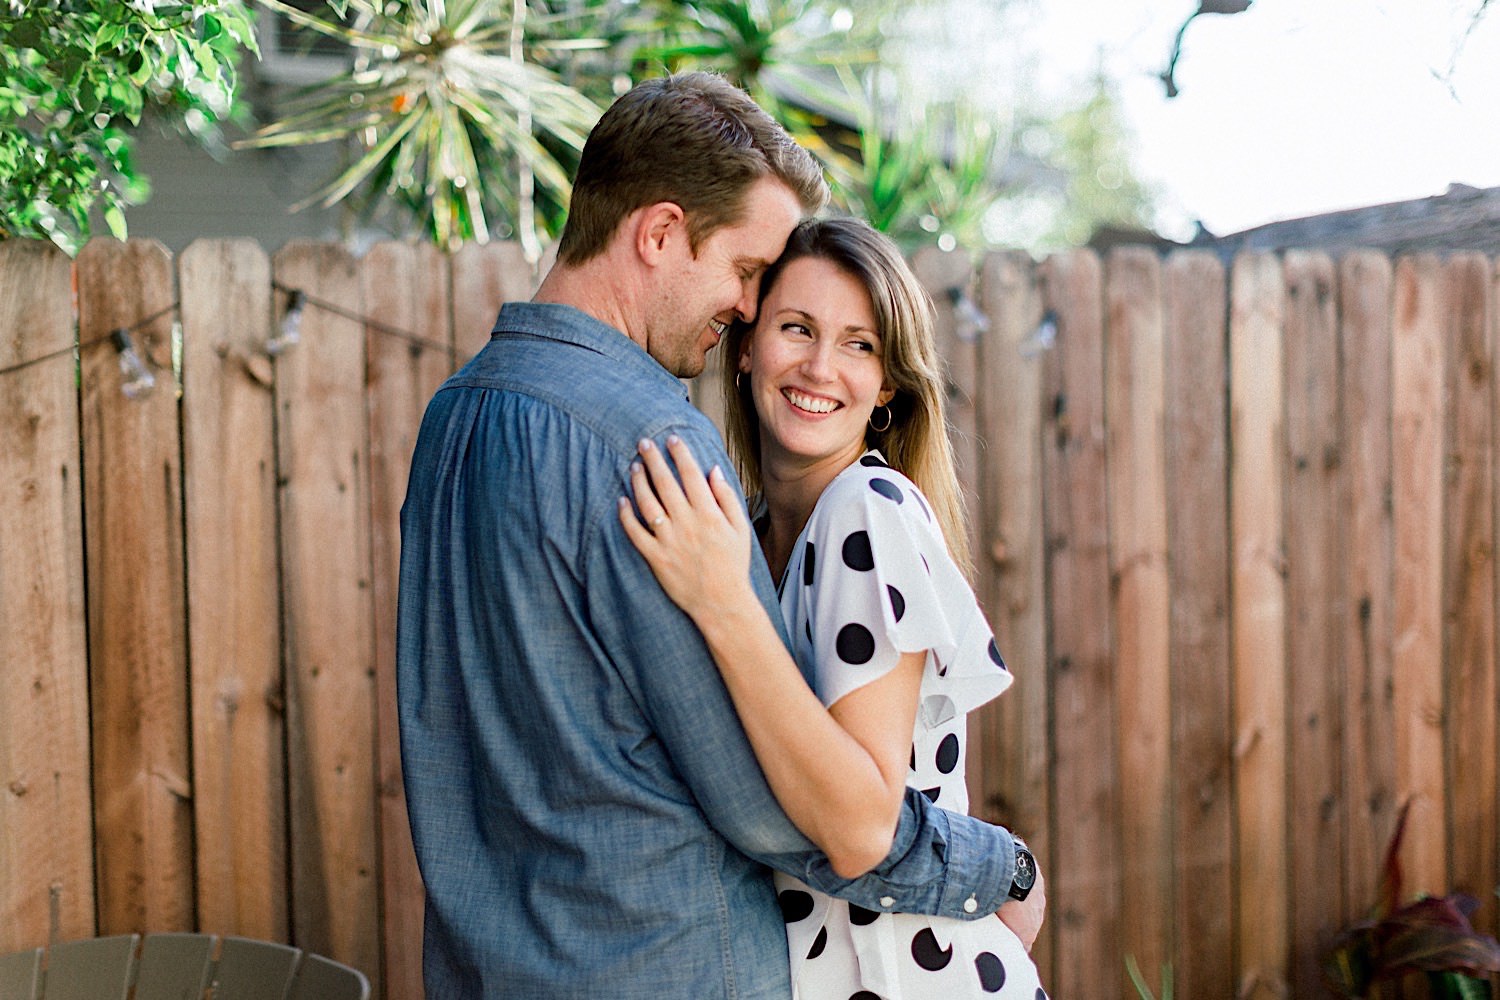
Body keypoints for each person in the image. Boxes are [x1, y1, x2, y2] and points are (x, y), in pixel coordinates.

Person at [397, 72, 1036, 1000]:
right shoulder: (651, 447)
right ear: (659, 233)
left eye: (859, 343)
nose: (744, 306)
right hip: (662, 968)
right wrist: (990, 867)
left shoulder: (452, 421)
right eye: (746, 275)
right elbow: (773, 803)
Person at [620, 216, 1048, 999]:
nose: (821, 367)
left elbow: (858, 831)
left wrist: (722, 604)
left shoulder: (867, 509)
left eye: (859, 344)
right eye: (797, 328)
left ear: (887, 383)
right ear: (746, 346)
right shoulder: (745, 538)